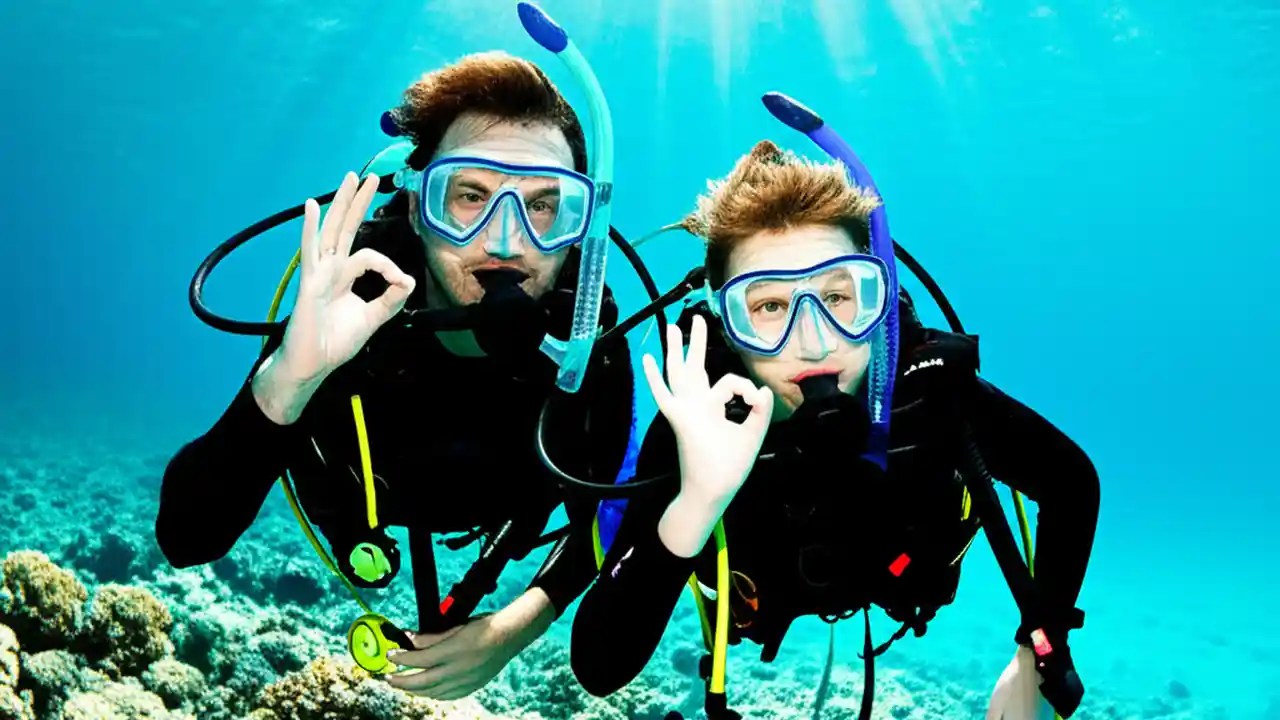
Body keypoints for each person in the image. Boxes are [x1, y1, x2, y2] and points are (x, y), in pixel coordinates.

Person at [156, 46, 637, 701]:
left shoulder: (587, 345)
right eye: (469, 195)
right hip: (360, 511)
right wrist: (287, 381)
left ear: (582, 227)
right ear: (416, 206)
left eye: (546, 205)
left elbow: (606, 514)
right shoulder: (344, 313)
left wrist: (517, 626)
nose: (506, 239)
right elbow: (187, 540)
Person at [568, 131, 1100, 720]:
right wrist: (696, 501)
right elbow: (599, 666)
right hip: (761, 598)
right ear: (725, 324)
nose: (815, 338)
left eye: (840, 296)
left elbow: (1071, 481)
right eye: (768, 306)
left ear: (878, 296)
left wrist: (1039, 643)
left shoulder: (926, 389)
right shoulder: (702, 427)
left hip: (905, 581)